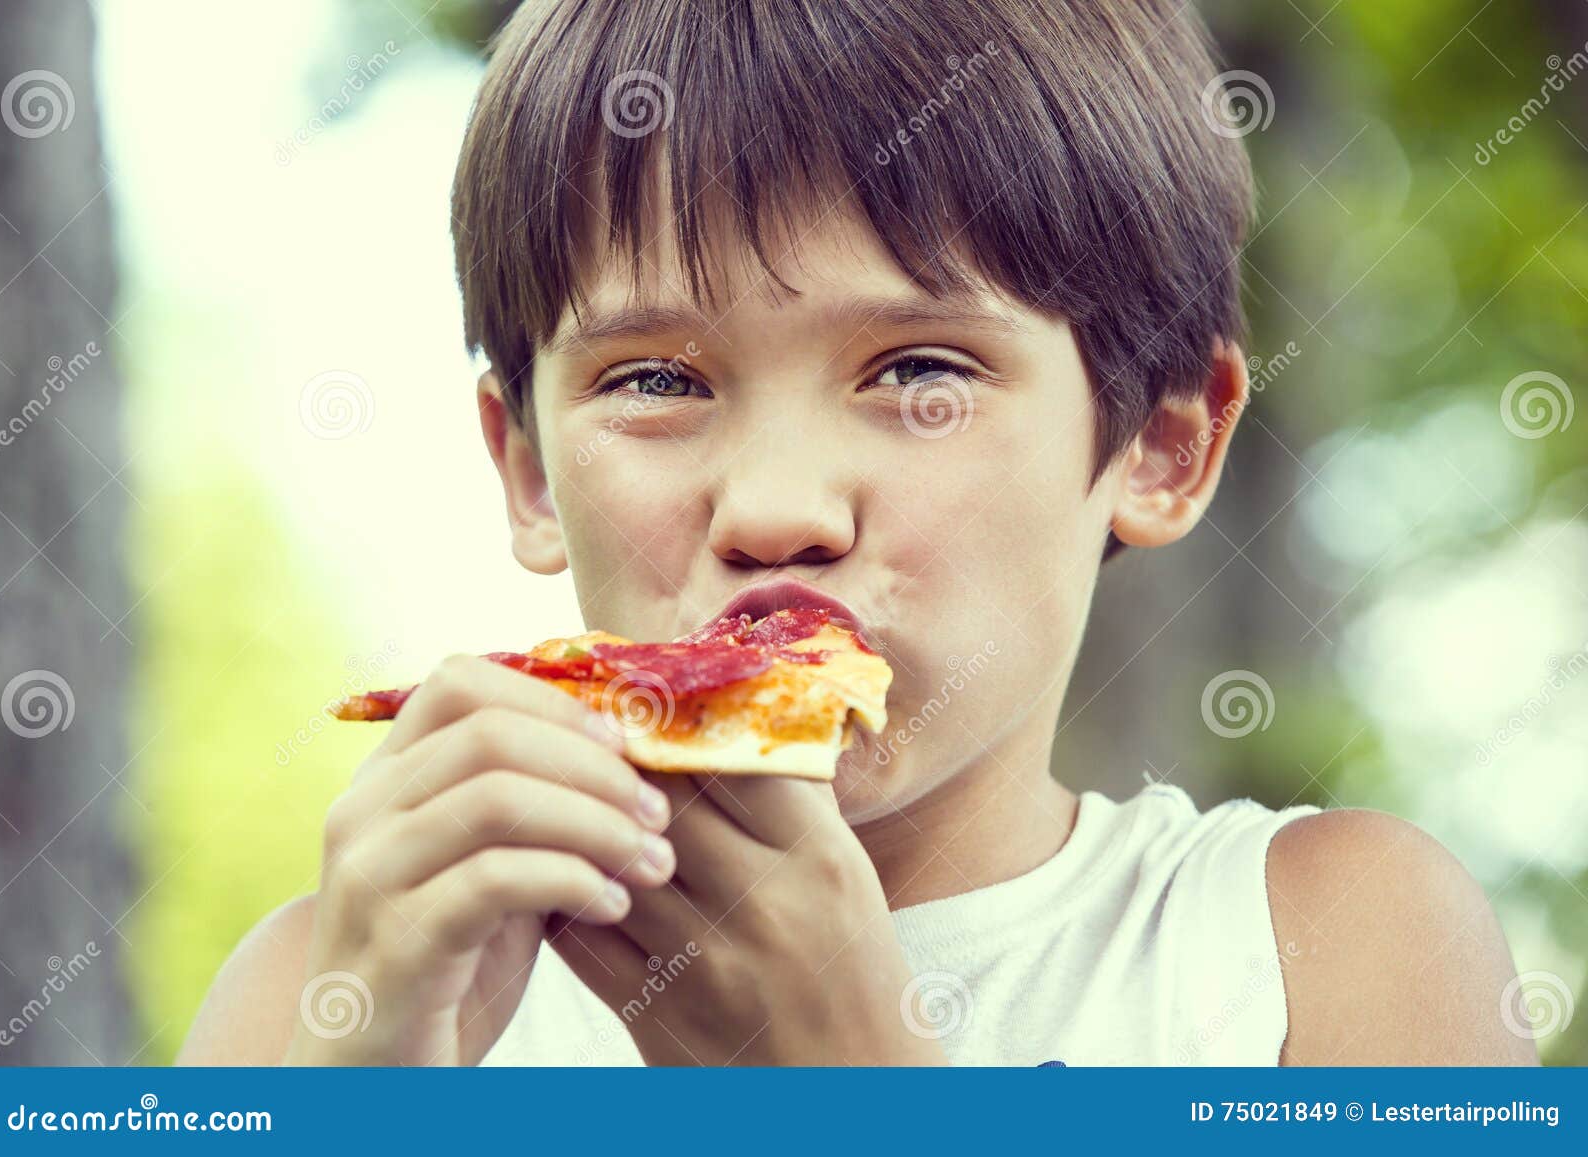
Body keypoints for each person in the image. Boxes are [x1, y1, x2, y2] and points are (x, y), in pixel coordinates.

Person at [180, 0, 1534, 1066]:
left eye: (918, 372)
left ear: (1160, 444)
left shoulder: (1321, 949)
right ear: (527, 468)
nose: (777, 508)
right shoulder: (326, 996)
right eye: (656, 381)